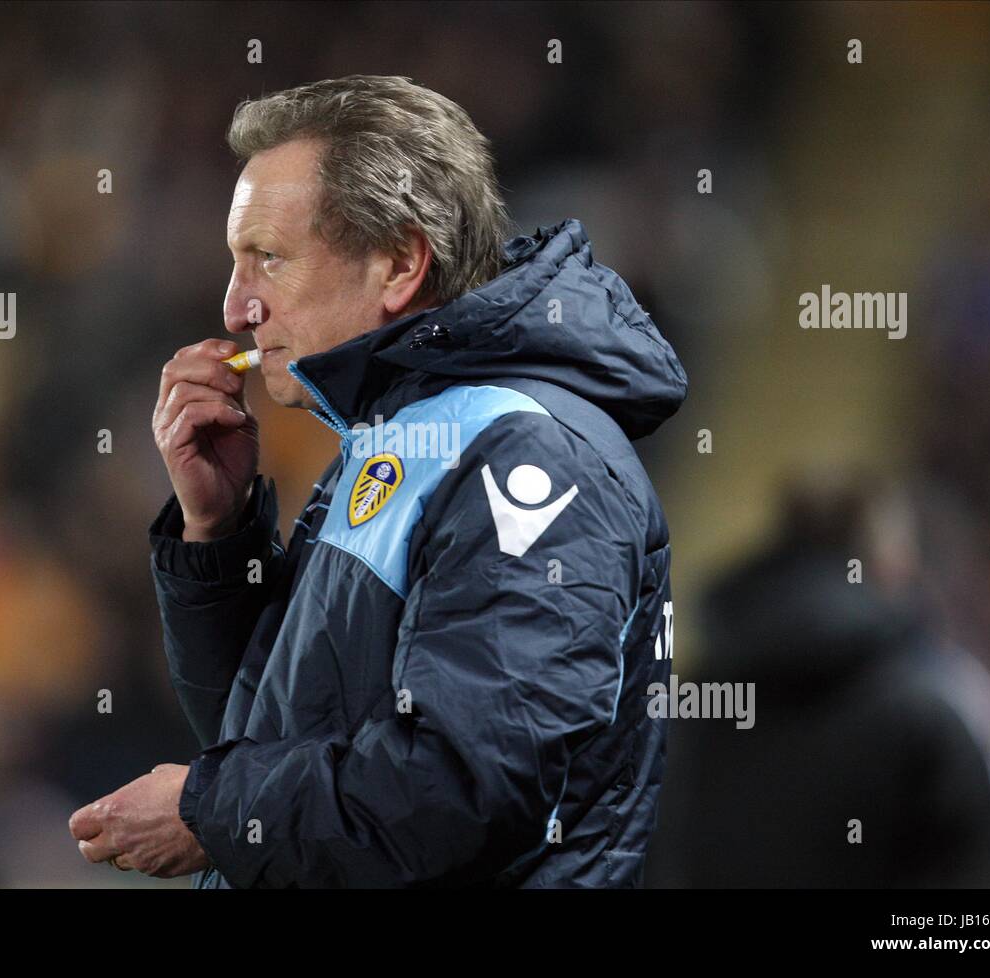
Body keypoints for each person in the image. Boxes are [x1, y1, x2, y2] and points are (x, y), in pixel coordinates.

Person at [68, 75, 688, 888]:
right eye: (234, 264)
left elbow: (460, 786)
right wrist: (218, 538)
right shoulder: (404, 435)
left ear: (398, 262)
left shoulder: (529, 457)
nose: (233, 307)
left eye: (268, 259)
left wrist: (208, 810)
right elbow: (265, 732)